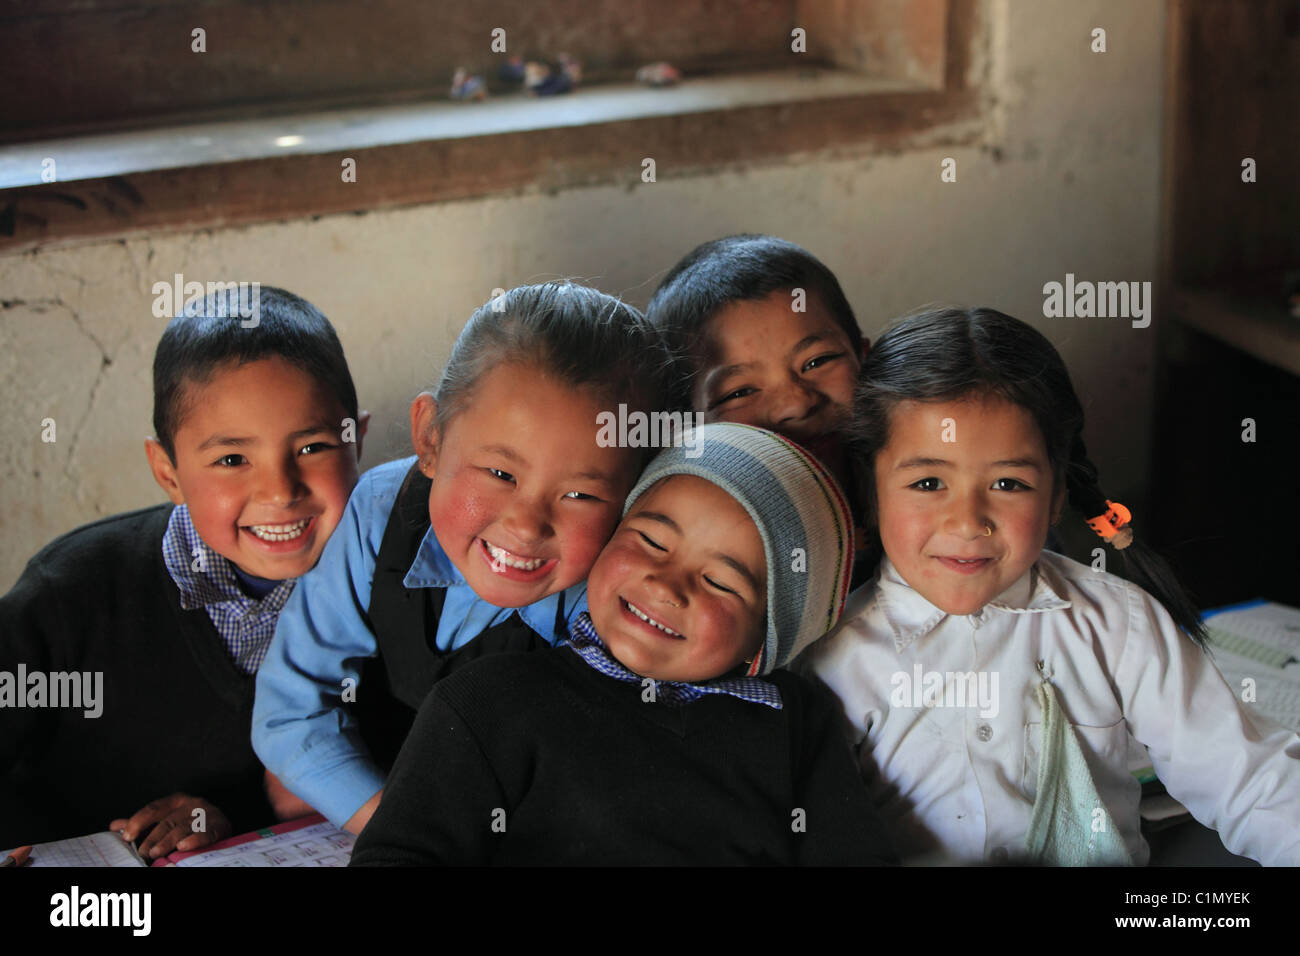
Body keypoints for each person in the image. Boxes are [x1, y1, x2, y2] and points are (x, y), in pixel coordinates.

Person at [801, 307, 1300, 865]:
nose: (968, 522)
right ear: (871, 489)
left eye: (1009, 482)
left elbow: (1250, 776)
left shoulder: (1117, 626)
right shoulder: (833, 656)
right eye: (928, 482)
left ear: (1058, 493)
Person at [350, 423, 894, 865]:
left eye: (721, 582)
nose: (666, 584)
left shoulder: (795, 724)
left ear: (770, 639)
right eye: (651, 540)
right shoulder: (488, 703)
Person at [253, 283, 670, 834]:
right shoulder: (379, 513)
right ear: (430, 437)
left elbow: (607, 778)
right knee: (287, 790)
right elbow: (290, 711)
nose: (526, 525)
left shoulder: (607, 600)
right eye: (500, 474)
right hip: (389, 798)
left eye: (581, 495)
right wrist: (400, 833)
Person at [0, 286, 366, 856]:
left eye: (313, 447)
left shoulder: (395, 587)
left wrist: (224, 819)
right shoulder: (76, 593)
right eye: (231, 460)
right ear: (167, 471)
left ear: (357, 440)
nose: (279, 490)